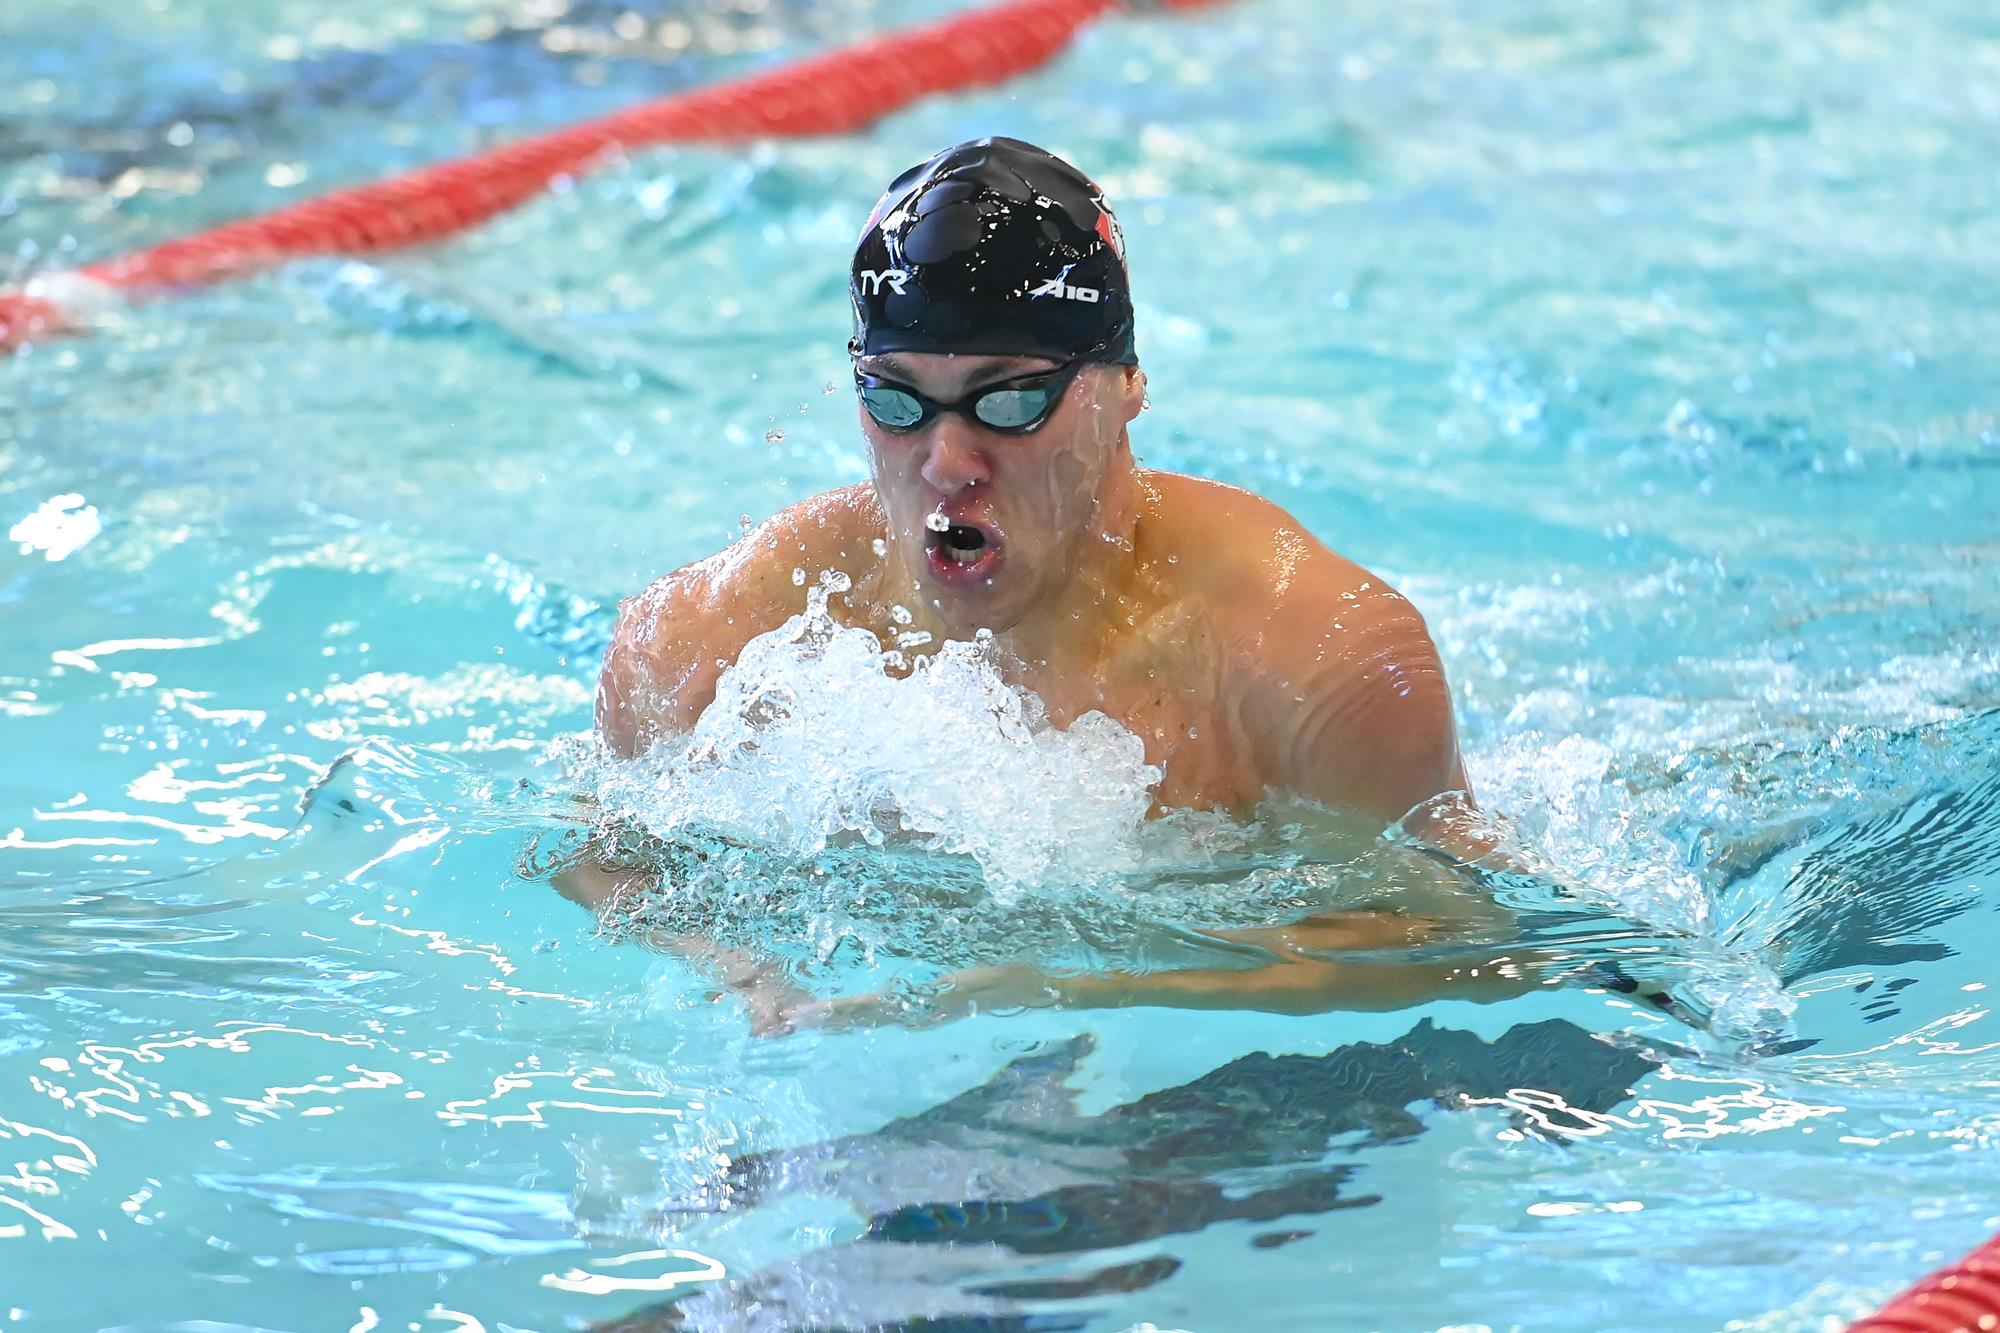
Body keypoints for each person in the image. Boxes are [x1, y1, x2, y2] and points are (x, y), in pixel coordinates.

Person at [581, 137, 1546, 1027]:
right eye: (896, 401)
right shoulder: (711, 643)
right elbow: (601, 857)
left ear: (1126, 384)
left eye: (1009, 402)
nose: (947, 462)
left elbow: (1459, 945)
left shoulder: (1314, 658)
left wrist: (1067, 991)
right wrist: (748, 978)